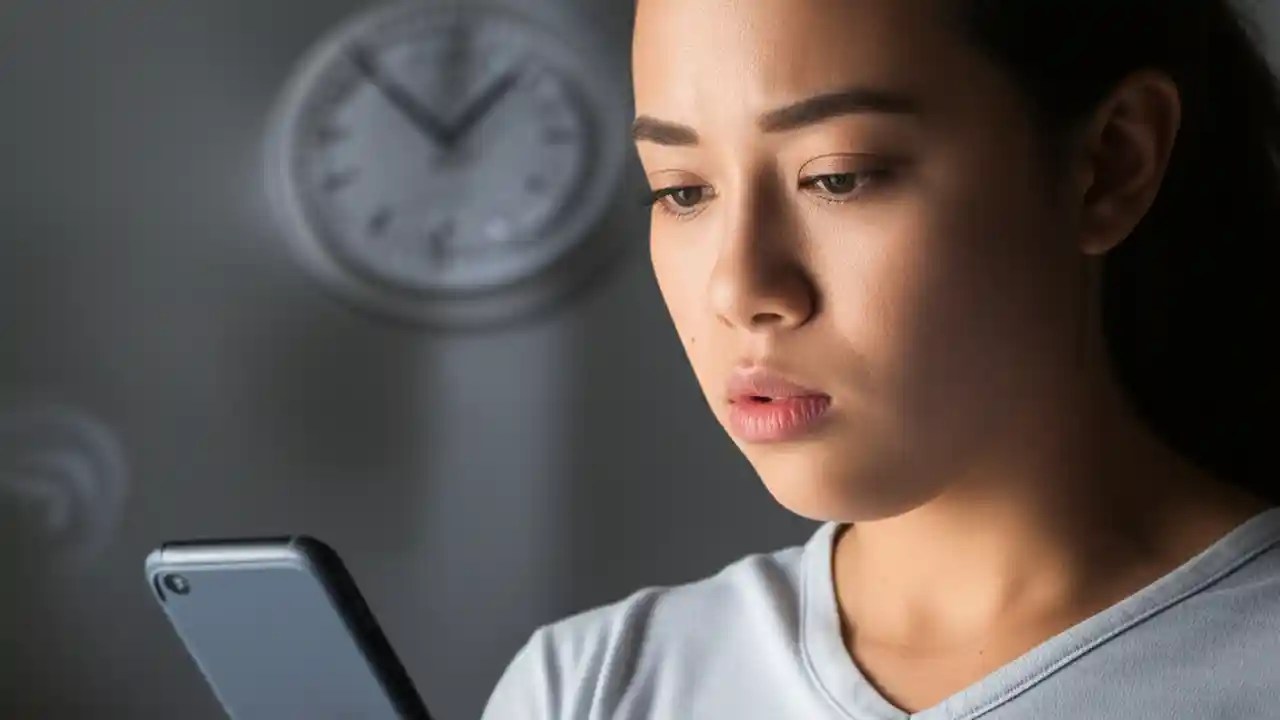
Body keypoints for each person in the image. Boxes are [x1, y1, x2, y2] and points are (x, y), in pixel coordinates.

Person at [481, 0, 1280, 717]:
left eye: (838, 177)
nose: (740, 287)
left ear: (1110, 163)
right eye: (683, 190)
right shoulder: (592, 686)